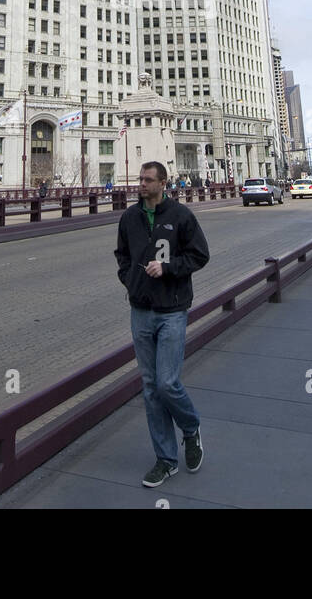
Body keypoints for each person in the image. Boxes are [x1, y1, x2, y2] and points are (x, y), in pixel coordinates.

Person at [115, 161, 210, 489]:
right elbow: (122, 255)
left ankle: (191, 427)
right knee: (151, 387)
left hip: (172, 310)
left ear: (163, 183)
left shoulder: (181, 216)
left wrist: (168, 269)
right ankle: (166, 459)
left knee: (168, 382)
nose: (141, 184)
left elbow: (200, 255)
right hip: (141, 310)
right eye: (140, 179)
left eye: (147, 180)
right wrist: (130, 280)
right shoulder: (130, 217)